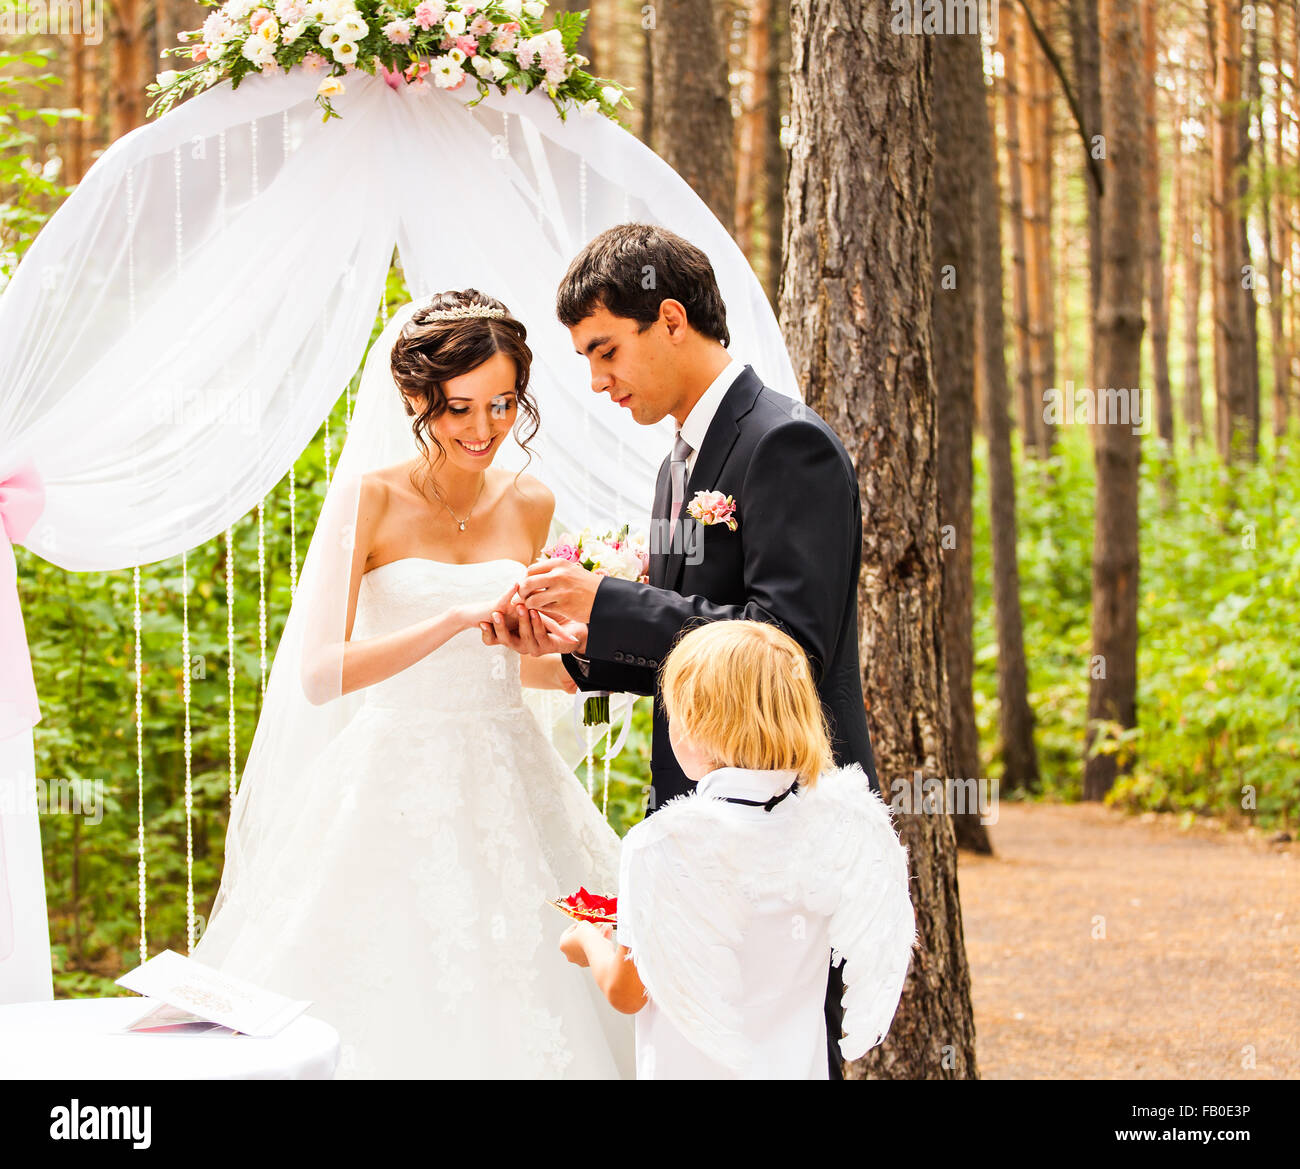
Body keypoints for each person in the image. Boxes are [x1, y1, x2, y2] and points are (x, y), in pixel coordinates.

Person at [192, 290, 634, 1079]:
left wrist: (576, 658)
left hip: (510, 773)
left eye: (502, 404)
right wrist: (454, 618)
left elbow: (518, 662)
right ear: (415, 397)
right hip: (389, 776)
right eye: (459, 406)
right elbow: (322, 673)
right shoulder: (371, 498)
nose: (484, 429)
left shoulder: (532, 503)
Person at [484, 222, 880, 1077]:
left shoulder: (786, 444)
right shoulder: (677, 462)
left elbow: (785, 648)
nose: (595, 382)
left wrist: (615, 601)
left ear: (670, 318)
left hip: (789, 815)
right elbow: (693, 646)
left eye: (604, 350)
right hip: (704, 818)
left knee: (787, 1050)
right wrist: (577, 642)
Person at [557, 620, 916, 1079]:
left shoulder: (663, 842)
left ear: (693, 726)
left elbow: (627, 992)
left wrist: (586, 940)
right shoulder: (840, 823)